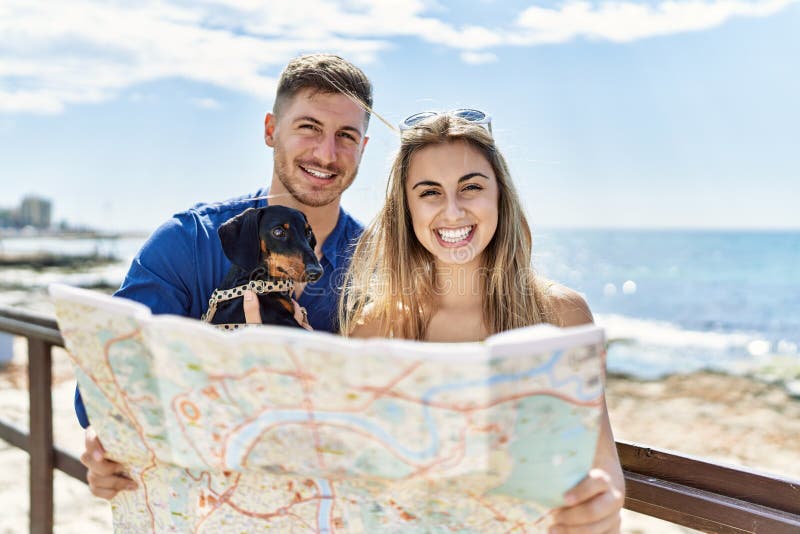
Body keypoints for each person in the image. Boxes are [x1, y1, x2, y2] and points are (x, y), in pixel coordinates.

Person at [78, 53, 373, 499]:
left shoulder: (382, 264)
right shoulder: (187, 242)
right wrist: (107, 450)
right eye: (309, 127)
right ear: (271, 130)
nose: (326, 153)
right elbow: (103, 387)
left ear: (364, 149)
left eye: (346, 135)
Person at [336, 112, 625, 533]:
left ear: (499, 197)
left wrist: (600, 508)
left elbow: (603, 468)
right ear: (407, 209)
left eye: (471, 187)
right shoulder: (374, 328)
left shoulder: (563, 316)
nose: (453, 211)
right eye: (429, 192)